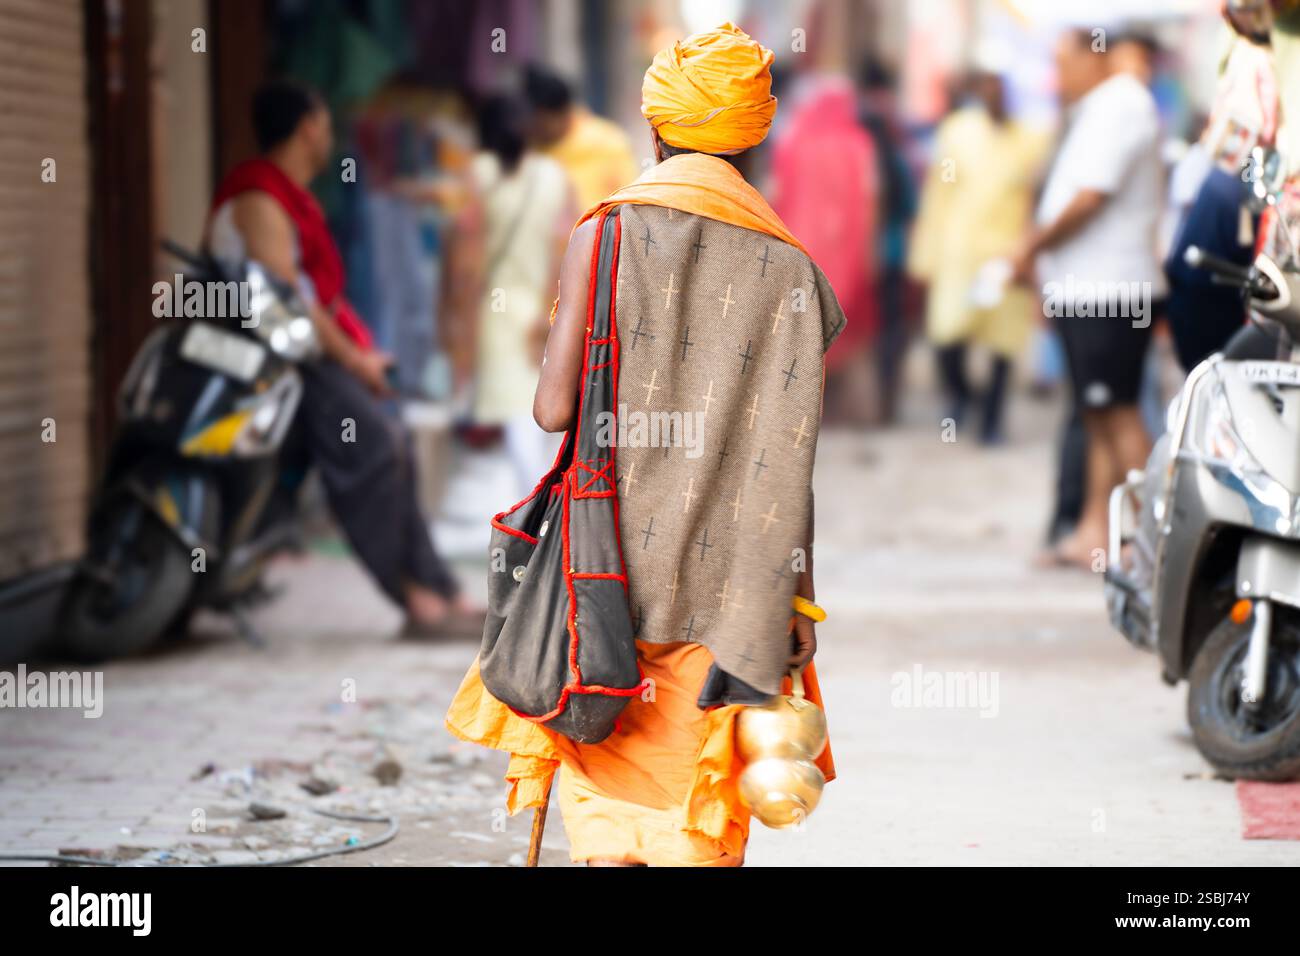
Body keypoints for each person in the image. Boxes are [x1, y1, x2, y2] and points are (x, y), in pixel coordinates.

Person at [447, 24, 840, 866]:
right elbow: (789, 461)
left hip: (605, 581)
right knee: (696, 818)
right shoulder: (793, 270)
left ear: (658, 127)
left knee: (610, 815)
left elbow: (554, 410)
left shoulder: (605, 234)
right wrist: (798, 601)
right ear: (752, 137)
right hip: (734, 597)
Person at [205, 79, 482, 635]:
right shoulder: (258, 196)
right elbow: (289, 303)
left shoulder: (291, 197)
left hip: (298, 359)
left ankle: (439, 588)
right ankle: (416, 598)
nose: (329, 133)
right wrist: (354, 362)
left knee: (393, 439)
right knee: (375, 449)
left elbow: (316, 299)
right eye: (326, 122)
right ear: (310, 127)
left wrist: (360, 354)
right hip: (272, 362)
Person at [1014, 29, 1166, 568]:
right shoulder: (1100, 105)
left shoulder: (1124, 103)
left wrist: (1029, 247)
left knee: (1118, 412)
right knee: (1098, 412)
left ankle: (1164, 538)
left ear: (1095, 52)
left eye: (1064, 61)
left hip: (1111, 290)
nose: (1060, 74)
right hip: (1085, 287)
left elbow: (1090, 197)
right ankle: (1093, 532)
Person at [909, 70, 1047, 444]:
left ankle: (992, 421)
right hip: (959, 250)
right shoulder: (956, 132)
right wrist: (926, 253)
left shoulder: (1031, 139)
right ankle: (961, 396)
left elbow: (1038, 200)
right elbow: (938, 193)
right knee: (948, 333)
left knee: (1003, 343)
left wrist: (1031, 254)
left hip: (1007, 254)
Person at [452, 94, 576, 496]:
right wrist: (551, 311)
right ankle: (549, 512)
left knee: (518, 421)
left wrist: (461, 337)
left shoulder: (480, 175)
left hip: (497, 315)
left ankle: (539, 516)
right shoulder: (555, 176)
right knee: (545, 419)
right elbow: (567, 248)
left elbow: (467, 266)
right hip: (547, 314)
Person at [770, 76, 879, 426]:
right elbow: (872, 199)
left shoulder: (791, 143)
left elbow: (774, 196)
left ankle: (805, 415)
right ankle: (859, 416)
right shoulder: (860, 146)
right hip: (848, 255)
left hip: (801, 252)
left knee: (805, 335)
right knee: (853, 332)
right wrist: (869, 252)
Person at [522, 64, 640, 213]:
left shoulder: (607, 142)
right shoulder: (529, 150)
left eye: (541, 123)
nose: (535, 129)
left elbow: (630, 202)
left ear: (563, 112)